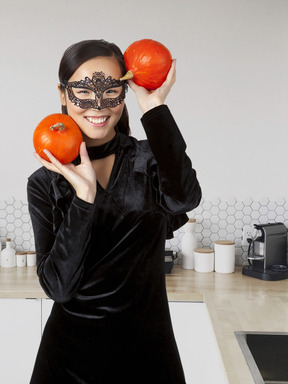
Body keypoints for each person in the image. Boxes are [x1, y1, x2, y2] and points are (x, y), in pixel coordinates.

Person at [27, 39, 202, 384]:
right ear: (62, 94)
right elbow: (58, 287)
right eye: (83, 90)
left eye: (111, 90)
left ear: (125, 90)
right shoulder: (44, 182)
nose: (98, 104)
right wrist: (84, 198)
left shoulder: (148, 159)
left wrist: (153, 107)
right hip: (68, 363)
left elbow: (184, 200)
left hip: (149, 356)